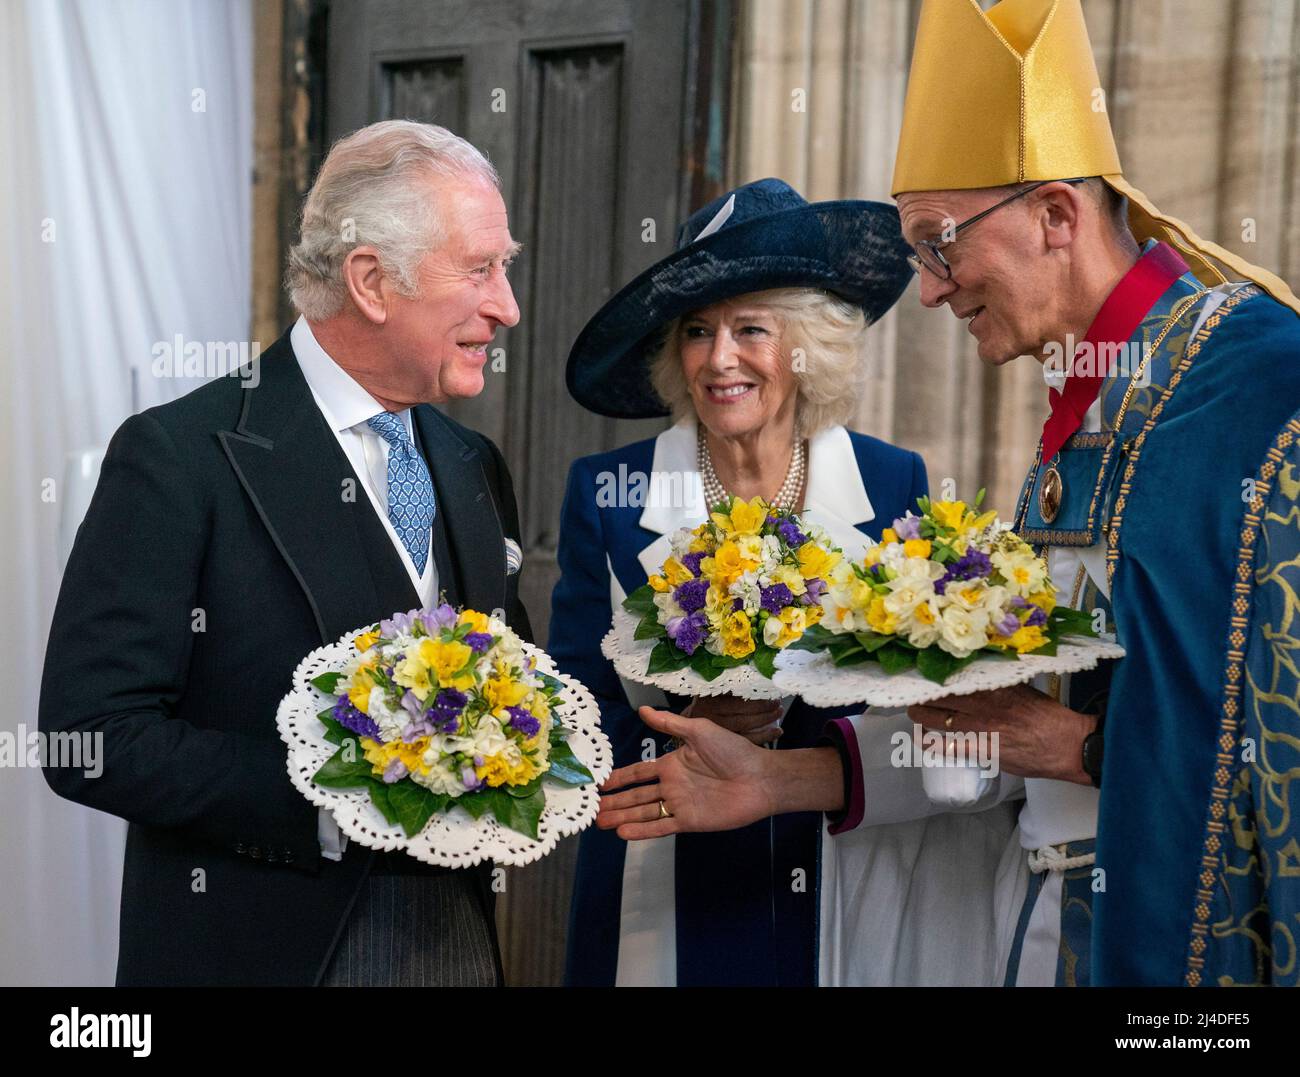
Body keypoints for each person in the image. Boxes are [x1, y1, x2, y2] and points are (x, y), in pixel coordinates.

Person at [599, 0, 1300, 988]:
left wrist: (1084, 747)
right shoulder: (1095, 412)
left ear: (1055, 216)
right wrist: (779, 775)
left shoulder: (1264, 397)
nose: (926, 290)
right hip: (1041, 927)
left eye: (936, 243)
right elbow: (1009, 737)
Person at [37, 120, 530, 986]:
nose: (506, 307)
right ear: (371, 280)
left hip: (456, 946)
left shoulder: (470, 463)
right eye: (480, 269)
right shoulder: (180, 456)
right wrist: (342, 794)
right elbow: (90, 734)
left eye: (506, 268)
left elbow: (512, 679)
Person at [553, 178, 1019, 986]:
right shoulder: (609, 492)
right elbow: (569, 718)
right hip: (659, 887)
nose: (719, 358)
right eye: (696, 331)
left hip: (840, 876)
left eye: (751, 328)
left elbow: (925, 696)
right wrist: (688, 721)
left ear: (811, 346)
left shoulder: (890, 479)